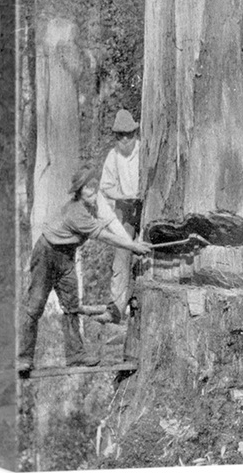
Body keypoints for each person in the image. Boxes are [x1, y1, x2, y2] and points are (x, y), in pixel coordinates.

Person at [18, 165, 151, 374]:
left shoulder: (94, 204)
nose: (92, 192)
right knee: (34, 307)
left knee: (71, 307)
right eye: (88, 189)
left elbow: (110, 222)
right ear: (79, 192)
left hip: (66, 257)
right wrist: (133, 246)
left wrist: (132, 242)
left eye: (95, 187)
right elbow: (104, 236)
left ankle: (76, 355)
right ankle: (24, 359)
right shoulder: (76, 212)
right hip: (46, 254)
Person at [93, 109, 142, 325]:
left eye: (128, 134)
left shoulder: (144, 150)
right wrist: (124, 196)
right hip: (126, 209)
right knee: (122, 255)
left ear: (134, 134)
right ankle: (115, 309)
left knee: (145, 255)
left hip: (147, 206)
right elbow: (105, 187)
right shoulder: (113, 156)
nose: (124, 140)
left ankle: (135, 301)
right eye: (120, 135)